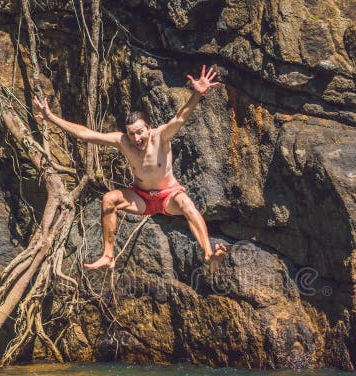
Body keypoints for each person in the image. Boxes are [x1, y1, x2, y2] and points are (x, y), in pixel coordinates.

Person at [32, 65, 228, 273]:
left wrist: (197, 94)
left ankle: (208, 254)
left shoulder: (161, 136)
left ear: (149, 129)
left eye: (140, 132)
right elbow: (86, 134)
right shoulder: (123, 141)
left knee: (186, 203)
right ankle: (108, 256)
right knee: (109, 199)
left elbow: (180, 117)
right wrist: (51, 118)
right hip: (141, 197)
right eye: (132, 134)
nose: (136, 138)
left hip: (169, 196)